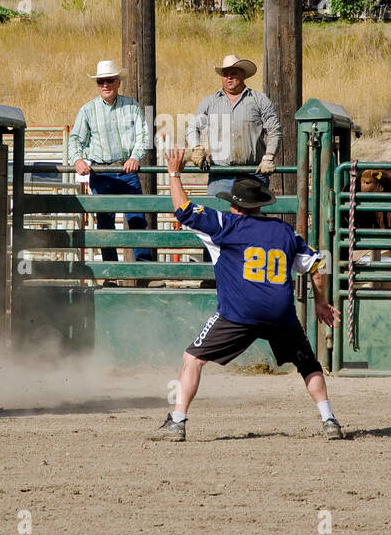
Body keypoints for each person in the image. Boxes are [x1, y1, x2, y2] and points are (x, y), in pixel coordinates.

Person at [147, 148, 343, 442]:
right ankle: (329, 420)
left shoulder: (226, 225)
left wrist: (174, 173)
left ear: (235, 206)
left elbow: (183, 209)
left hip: (238, 313)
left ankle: (177, 422)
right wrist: (321, 302)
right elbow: (318, 263)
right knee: (308, 365)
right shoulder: (284, 231)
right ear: (260, 205)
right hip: (280, 314)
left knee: (193, 358)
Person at [68, 60, 155, 264]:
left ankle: (145, 269)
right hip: (102, 171)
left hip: (126, 170)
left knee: (137, 220)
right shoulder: (88, 110)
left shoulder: (131, 106)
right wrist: (77, 159)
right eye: (101, 81)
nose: (105, 85)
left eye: (109, 80)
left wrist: (134, 157)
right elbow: (75, 139)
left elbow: (144, 134)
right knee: (105, 223)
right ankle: (110, 272)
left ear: (117, 82)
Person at [185, 55, 282, 198]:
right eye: (225, 74)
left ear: (243, 75)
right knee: (218, 218)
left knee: (250, 218)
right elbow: (193, 126)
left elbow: (274, 131)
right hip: (220, 174)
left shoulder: (259, 100)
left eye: (233, 74)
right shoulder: (210, 102)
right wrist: (196, 148)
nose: (228, 78)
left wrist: (269, 156)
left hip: (252, 174)